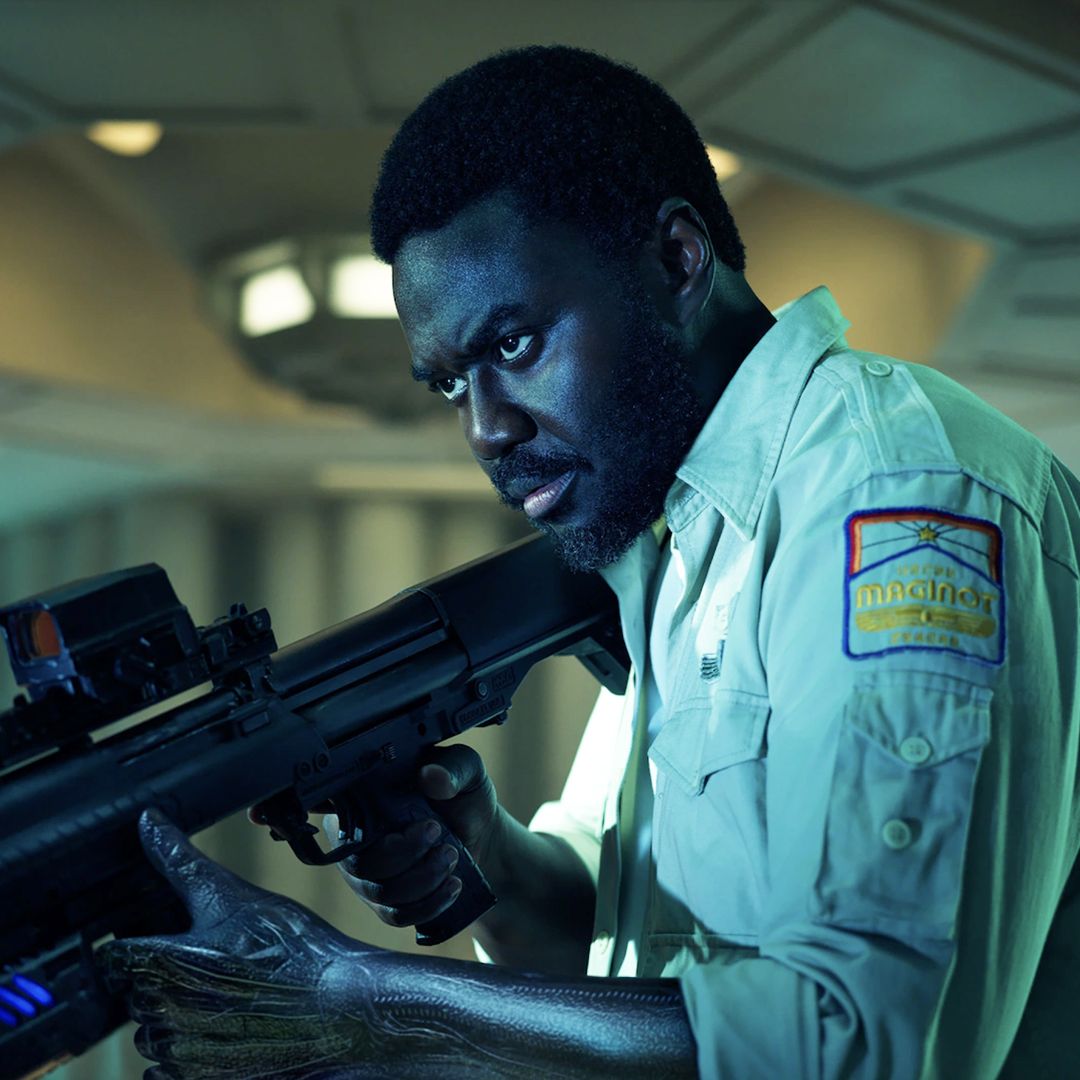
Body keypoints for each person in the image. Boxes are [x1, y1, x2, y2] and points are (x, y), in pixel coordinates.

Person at [101, 45, 1080, 1078]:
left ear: (677, 260)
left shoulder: (892, 500)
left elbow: (856, 1045)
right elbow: (624, 947)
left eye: (514, 345)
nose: (485, 430)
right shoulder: (670, 530)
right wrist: (494, 859)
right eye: (451, 384)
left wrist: (371, 1002)